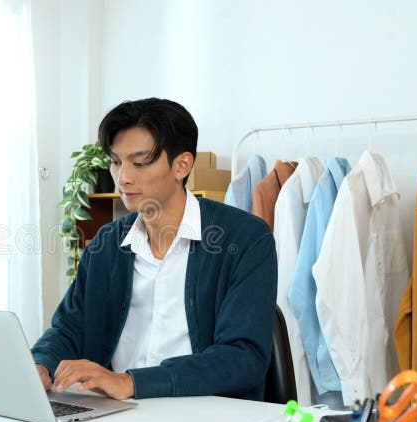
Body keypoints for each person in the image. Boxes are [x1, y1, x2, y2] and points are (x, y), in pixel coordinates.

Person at [31, 98, 277, 401]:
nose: (123, 177)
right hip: (119, 412)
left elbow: (242, 357)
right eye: (116, 162)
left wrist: (132, 383)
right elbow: (69, 328)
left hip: (207, 414)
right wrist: (41, 364)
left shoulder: (245, 238)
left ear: (182, 165)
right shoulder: (107, 244)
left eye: (139, 162)